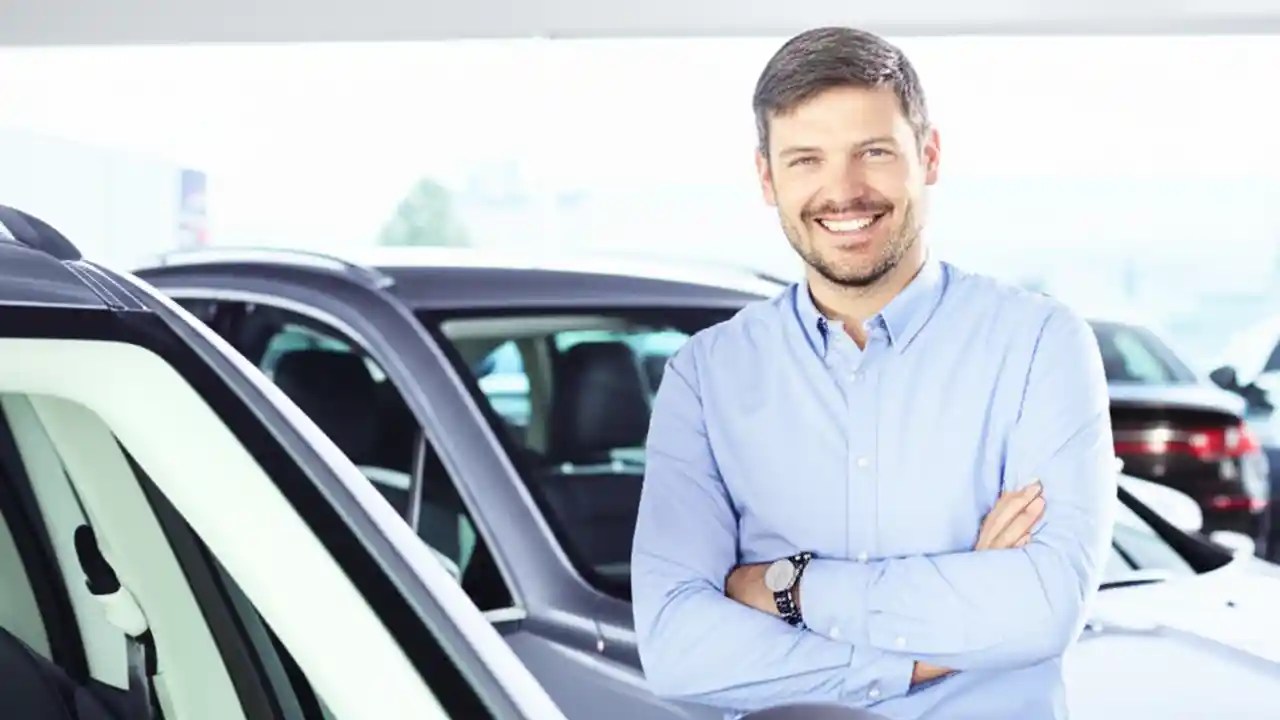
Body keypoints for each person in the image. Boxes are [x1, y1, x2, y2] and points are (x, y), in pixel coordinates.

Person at [630, 26, 1117, 720]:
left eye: (875, 152)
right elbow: (678, 649)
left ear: (930, 155)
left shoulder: (1039, 343)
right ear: (767, 178)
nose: (844, 191)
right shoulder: (706, 377)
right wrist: (930, 647)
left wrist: (785, 588)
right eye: (806, 160)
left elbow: (1042, 608)